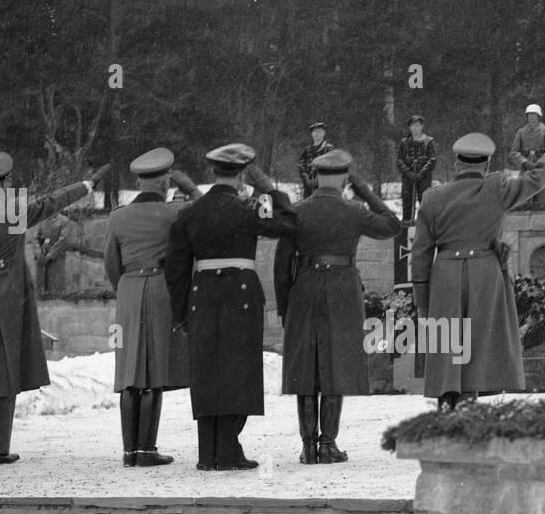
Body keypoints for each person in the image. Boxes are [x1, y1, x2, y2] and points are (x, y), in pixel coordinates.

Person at [0, 152, 104, 465]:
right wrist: (85, 185)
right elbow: (52, 203)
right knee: (3, 371)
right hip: (7, 298)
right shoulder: (13, 210)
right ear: (3, 182)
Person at [411, 110, 545, 411]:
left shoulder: (432, 198)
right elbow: (536, 178)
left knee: (447, 353)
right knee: (475, 355)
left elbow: (420, 256)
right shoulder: (496, 187)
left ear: (456, 163)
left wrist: (422, 303)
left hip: (445, 276)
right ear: (486, 164)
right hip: (484, 277)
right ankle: (469, 419)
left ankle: (447, 418)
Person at [165, 143, 298, 471]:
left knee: (207, 371)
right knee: (240, 371)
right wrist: (267, 187)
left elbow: (176, 270)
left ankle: (207, 453)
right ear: (241, 175)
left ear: (212, 173)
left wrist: (180, 313)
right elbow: (288, 222)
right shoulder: (247, 209)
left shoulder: (190, 213)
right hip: (240, 297)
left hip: (203, 297)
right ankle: (228, 448)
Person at [274, 149, 403, 464]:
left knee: (306, 368)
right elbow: (392, 225)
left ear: (315, 177)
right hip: (342, 290)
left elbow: (281, 264)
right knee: (337, 364)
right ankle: (328, 444)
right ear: (345, 178)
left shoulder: (297, 211)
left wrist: (284, 307)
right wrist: (364, 190)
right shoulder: (354, 210)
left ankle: (308, 446)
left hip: (303, 289)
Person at [104, 147, 201, 468]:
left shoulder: (117, 216)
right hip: (161, 290)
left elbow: (110, 265)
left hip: (128, 292)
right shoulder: (175, 213)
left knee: (129, 372)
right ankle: (147, 449)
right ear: (165, 182)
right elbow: (204, 209)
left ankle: (129, 451)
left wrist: (127, 286)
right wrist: (189, 188)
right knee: (154, 370)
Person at [509, 103, 545, 209]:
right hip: (526, 168)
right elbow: (514, 152)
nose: (532, 118)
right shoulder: (521, 132)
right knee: (523, 197)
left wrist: (542, 162)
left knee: (544, 198)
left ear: (538, 116)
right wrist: (524, 162)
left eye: (534, 115)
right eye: (529, 116)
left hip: (542, 168)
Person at [397, 114, 437, 220]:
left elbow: (432, 159)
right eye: (413, 126)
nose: (415, 128)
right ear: (409, 127)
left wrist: (422, 173)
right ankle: (406, 227)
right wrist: (408, 173)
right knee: (407, 202)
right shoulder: (404, 143)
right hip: (408, 178)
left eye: (418, 125)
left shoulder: (429, 141)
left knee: (425, 203)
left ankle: (426, 228)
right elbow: (399, 160)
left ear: (422, 126)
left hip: (424, 178)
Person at [34, 209, 73, 296]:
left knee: (55, 287)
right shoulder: (41, 220)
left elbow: (63, 240)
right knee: (40, 289)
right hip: (41, 257)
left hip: (56, 258)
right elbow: (35, 238)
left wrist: (50, 255)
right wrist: (38, 253)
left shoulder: (64, 221)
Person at [297, 122, 334, 199]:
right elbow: (301, 166)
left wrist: (319, 179)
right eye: (314, 132)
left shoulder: (329, 149)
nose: (316, 134)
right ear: (311, 134)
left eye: (319, 131)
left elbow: (332, 166)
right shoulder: (307, 150)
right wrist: (306, 179)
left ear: (324, 133)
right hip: (308, 189)